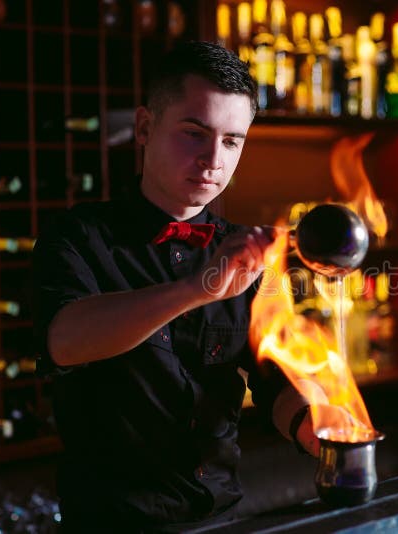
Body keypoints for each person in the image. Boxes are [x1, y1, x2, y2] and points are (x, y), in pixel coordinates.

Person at [33, 41, 320, 531]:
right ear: (145, 128)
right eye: (194, 133)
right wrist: (197, 289)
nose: (214, 159)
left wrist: (326, 430)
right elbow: (65, 341)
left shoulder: (247, 257)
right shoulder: (78, 236)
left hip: (222, 520)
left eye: (232, 141)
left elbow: (277, 386)